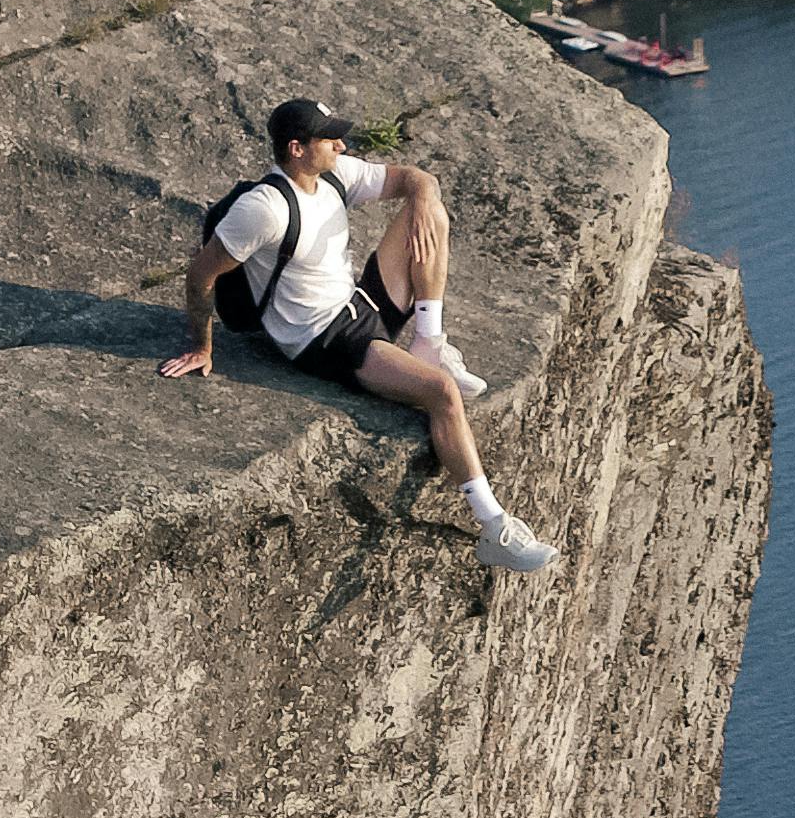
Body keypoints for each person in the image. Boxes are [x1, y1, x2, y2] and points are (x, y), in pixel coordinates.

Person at [166, 93, 560, 579]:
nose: (341, 145)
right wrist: (202, 345)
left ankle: (429, 342)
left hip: (359, 306)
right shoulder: (265, 209)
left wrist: (421, 198)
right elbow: (201, 275)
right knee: (442, 393)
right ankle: (493, 525)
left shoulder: (333, 175)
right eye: (329, 139)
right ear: (296, 149)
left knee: (430, 212)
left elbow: (417, 179)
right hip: (327, 340)